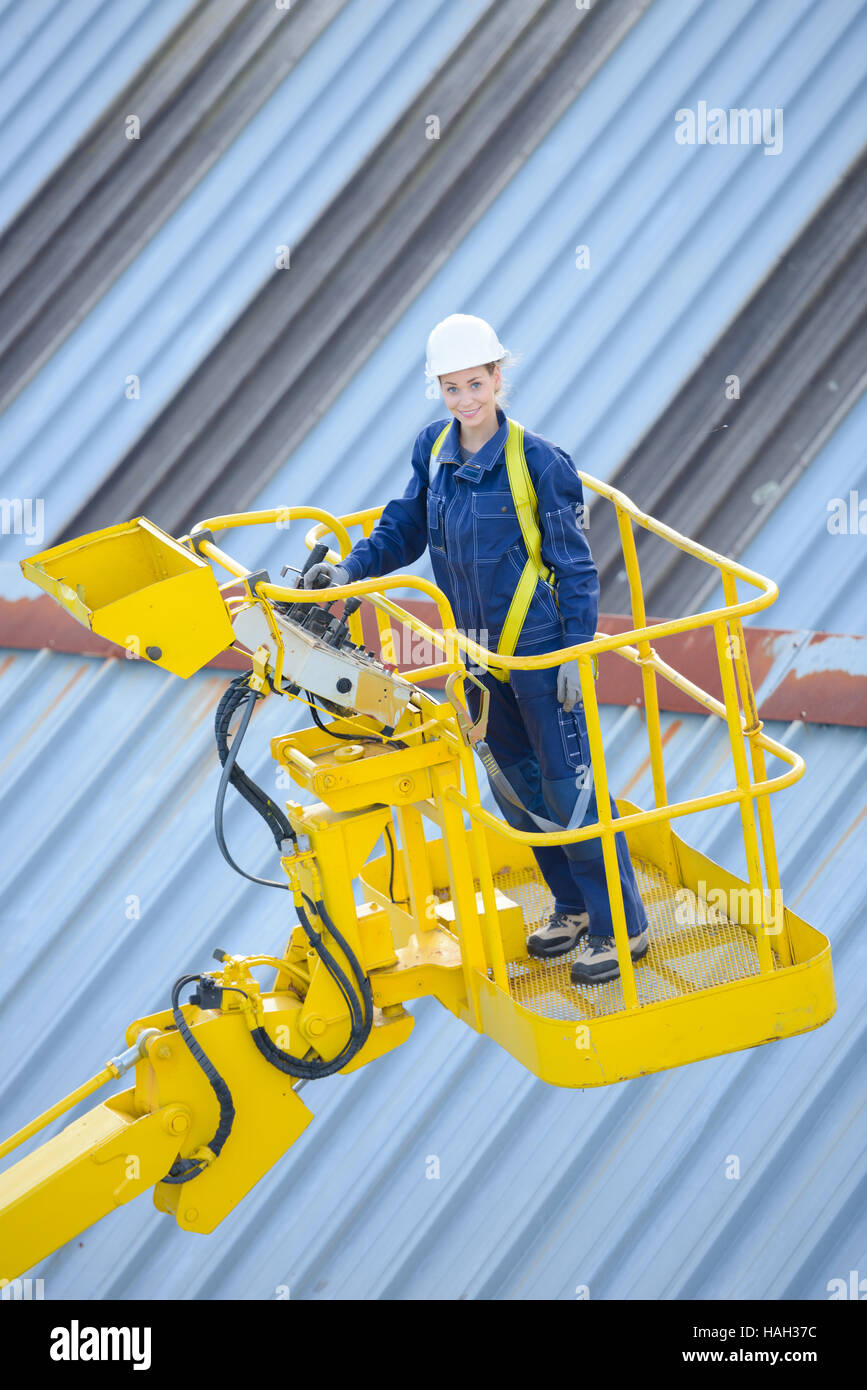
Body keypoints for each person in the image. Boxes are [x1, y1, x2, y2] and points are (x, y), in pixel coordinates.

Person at [301, 313, 648, 986]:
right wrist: (350, 573)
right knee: (514, 784)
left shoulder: (537, 462)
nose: (465, 399)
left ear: (498, 377)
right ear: (437, 389)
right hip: (475, 652)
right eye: (451, 388)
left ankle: (620, 929)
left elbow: (574, 569)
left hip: (539, 651)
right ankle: (572, 908)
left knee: (569, 787)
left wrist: (575, 656)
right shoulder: (433, 449)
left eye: (475, 383)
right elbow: (405, 525)